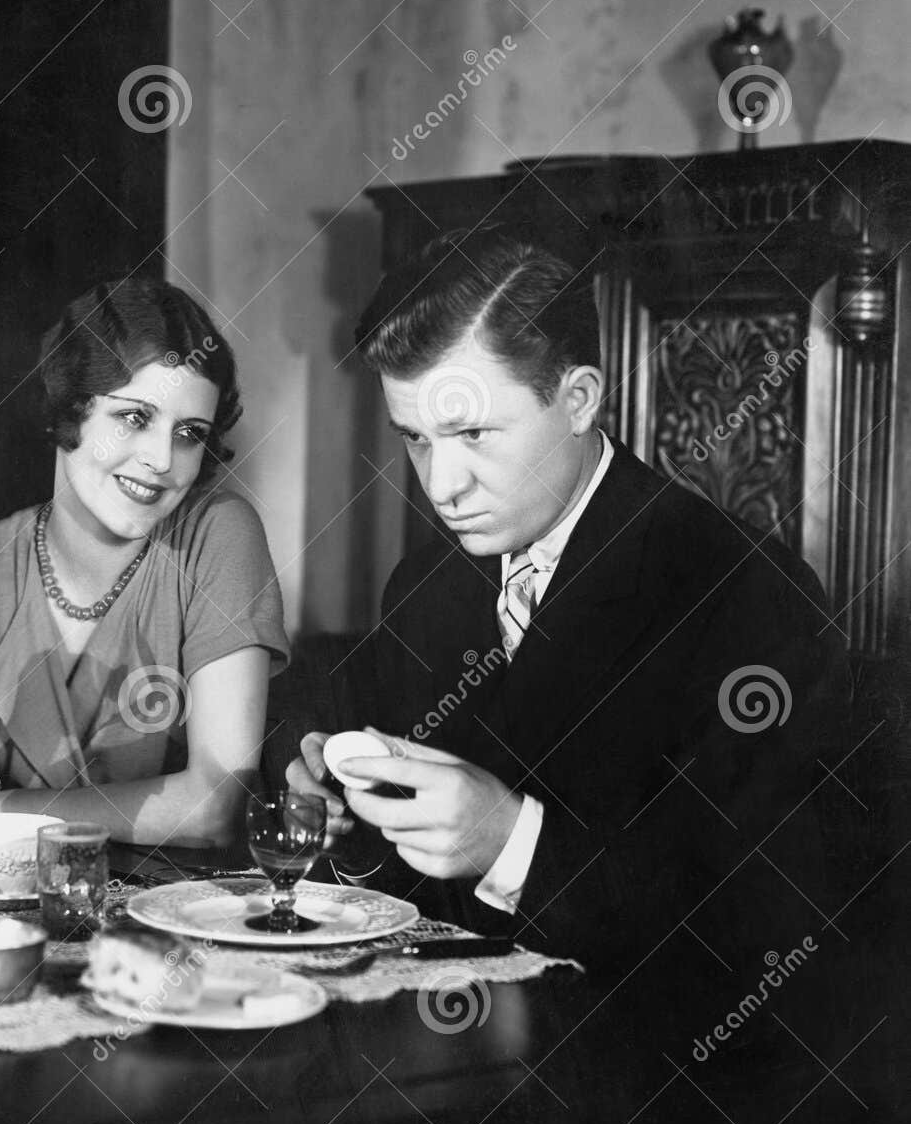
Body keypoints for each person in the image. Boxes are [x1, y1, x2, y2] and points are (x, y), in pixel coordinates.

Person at [288, 228, 848, 965]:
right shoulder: (425, 587)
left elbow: (758, 921)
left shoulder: (745, 592)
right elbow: (404, 890)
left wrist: (509, 842)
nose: (441, 487)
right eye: (417, 439)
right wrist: (343, 818)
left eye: (474, 433)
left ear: (579, 400)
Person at [0, 279, 288, 849]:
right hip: (3, 923)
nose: (161, 459)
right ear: (71, 408)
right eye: (134, 417)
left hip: (171, 923)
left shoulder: (215, 533)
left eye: (190, 433)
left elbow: (215, 808)